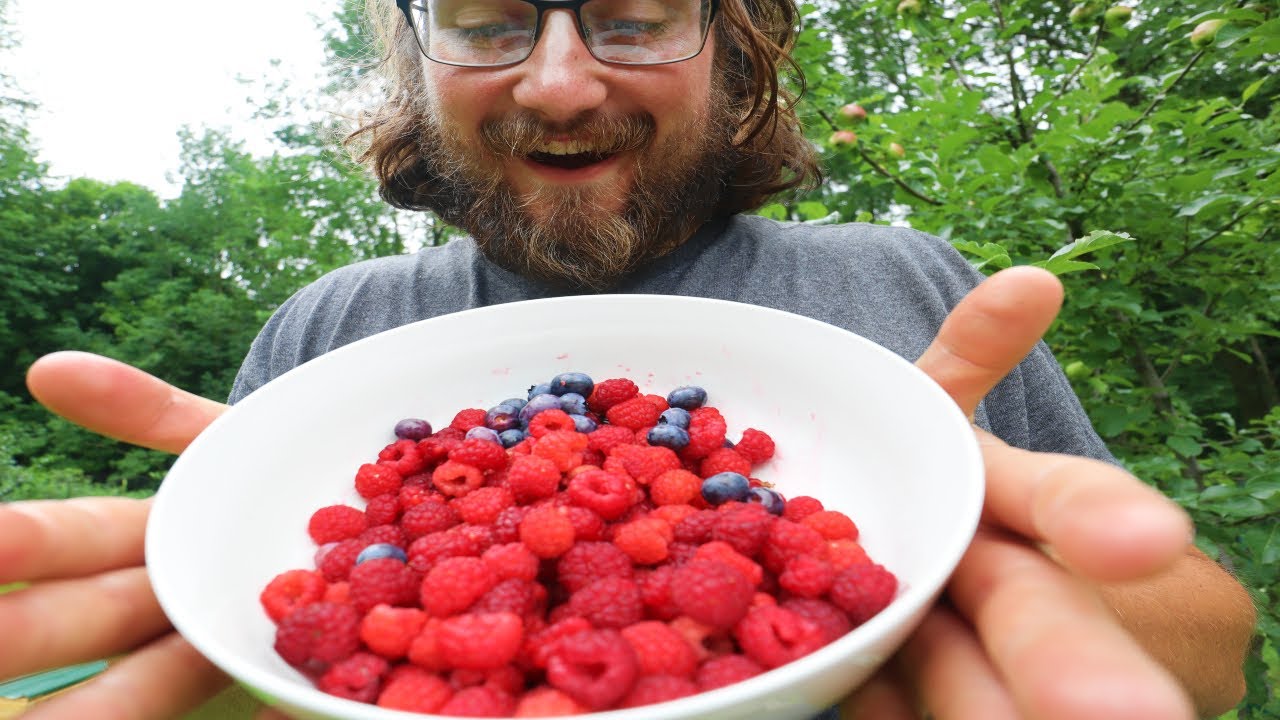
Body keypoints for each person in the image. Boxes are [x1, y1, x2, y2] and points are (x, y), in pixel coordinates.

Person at [7, 0, 1256, 718]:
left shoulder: (903, 288)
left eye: (633, 15)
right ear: (414, 61)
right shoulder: (322, 333)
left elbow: (1211, 646)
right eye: (489, 20)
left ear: (737, 46)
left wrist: (949, 566)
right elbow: (281, 642)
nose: (556, 81)